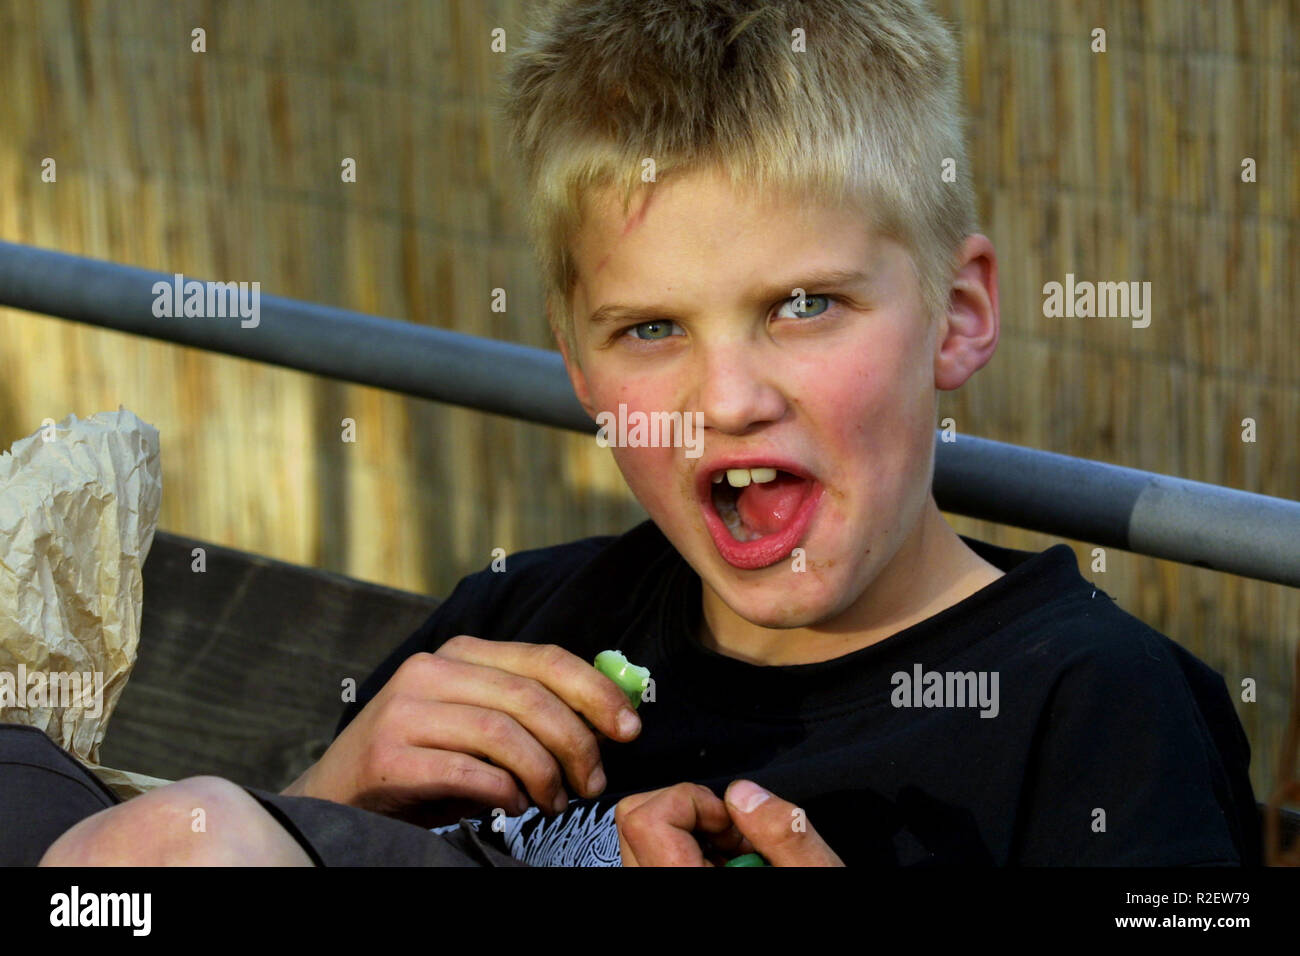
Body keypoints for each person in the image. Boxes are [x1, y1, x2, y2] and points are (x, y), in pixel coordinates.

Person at [21, 0, 1259, 867]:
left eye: (804, 304)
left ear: (960, 314)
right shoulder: (517, 626)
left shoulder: (1098, 713)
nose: (727, 398)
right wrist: (331, 787)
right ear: (578, 371)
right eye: (650, 328)